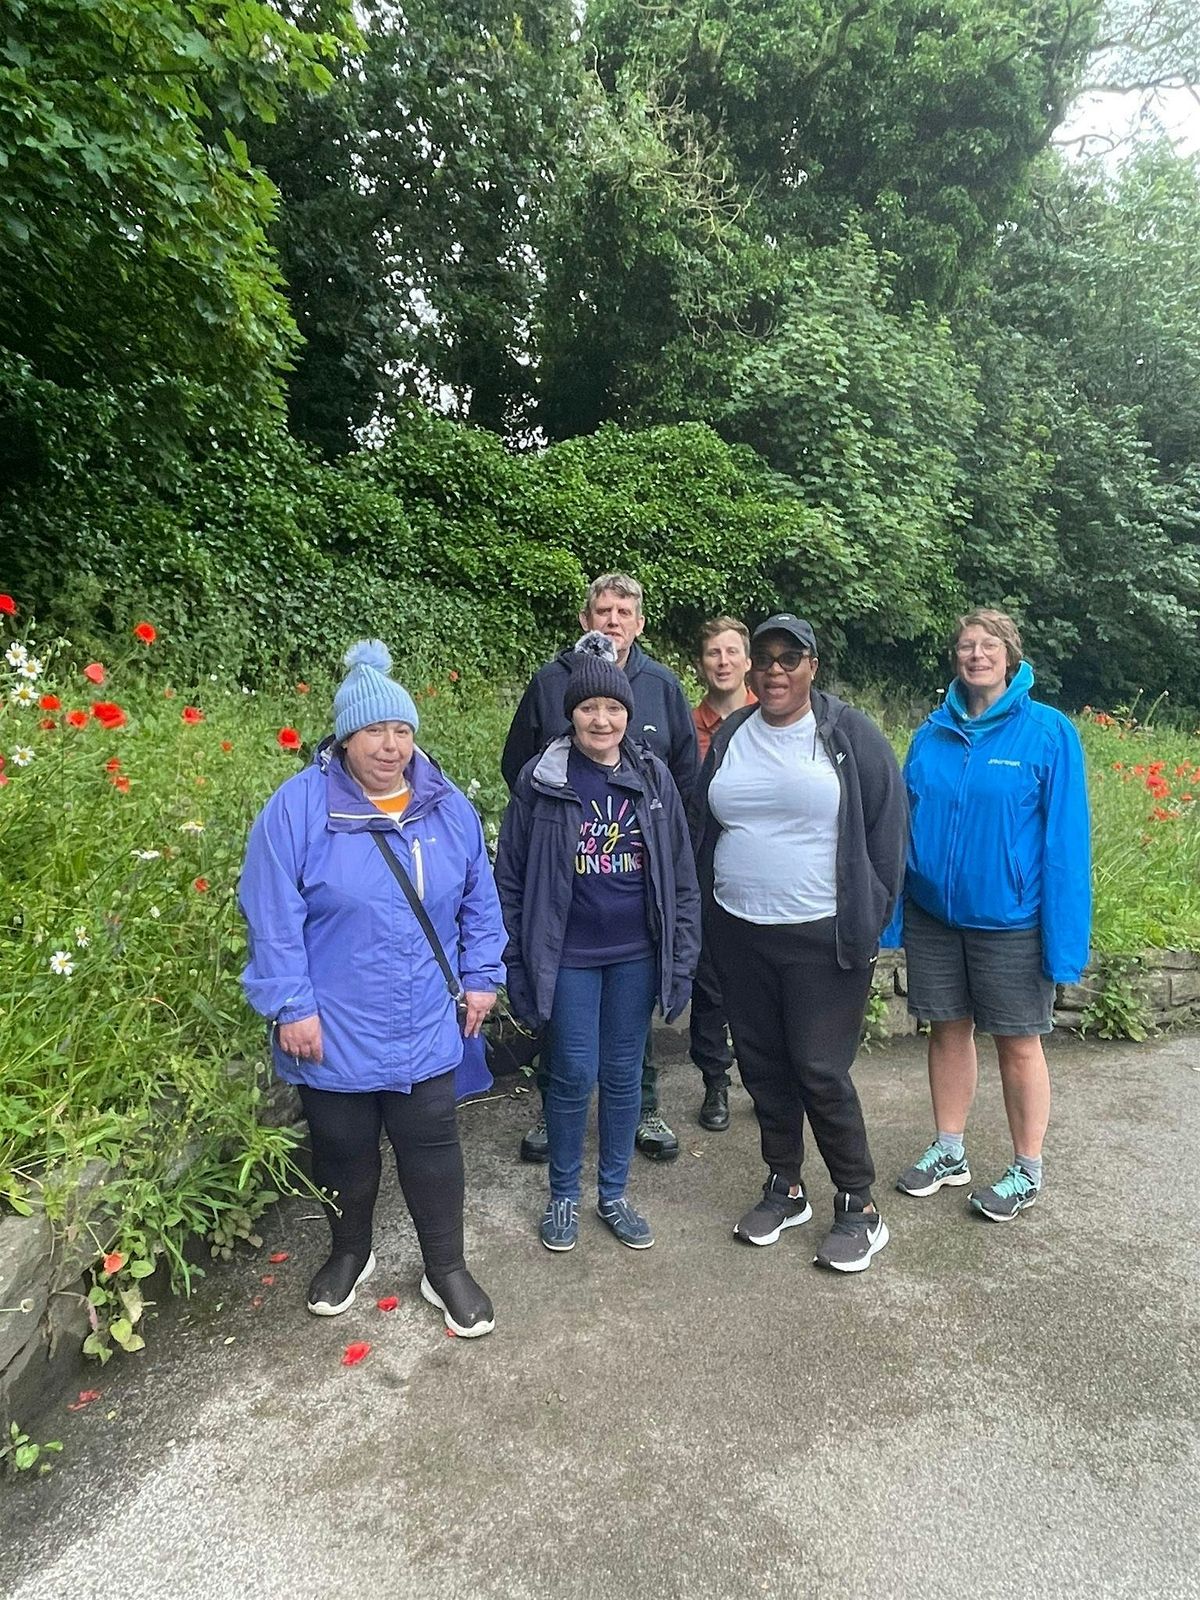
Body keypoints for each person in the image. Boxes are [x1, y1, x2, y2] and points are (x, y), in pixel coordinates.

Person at [239, 641, 506, 1336]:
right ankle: (349, 1253)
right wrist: (290, 1005)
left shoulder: (446, 807)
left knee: (433, 1148)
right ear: (344, 736)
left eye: (402, 730)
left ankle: (445, 1268)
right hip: (330, 1025)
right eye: (374, 731)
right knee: (343, 1151)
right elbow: (271, 912)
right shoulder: (296, 809)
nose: (390, 747)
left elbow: (480, 899)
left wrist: (481, 977)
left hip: (424, 1018)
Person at [690, 614, 906, 1273]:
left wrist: (871, 915)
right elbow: (707, 822)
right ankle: (785, 1186)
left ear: (813, 665)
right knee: (762, 1065)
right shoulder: (732, 734)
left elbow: (887, 828)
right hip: (739, 930)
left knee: (818, 1068)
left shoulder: (848, 733)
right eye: (765, 659)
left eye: (791, 658)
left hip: (823, 935)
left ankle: (859, 1206)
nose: (775, 670)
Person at [495, 634, 701, 1253]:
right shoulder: (542, 779)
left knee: (620, 1076)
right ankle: (563, 1195)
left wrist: (681, 958)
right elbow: (510, 877)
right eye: (589, 709)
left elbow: (681, 875)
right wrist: (517, 963)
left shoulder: (653, 777)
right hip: (568, 956)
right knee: (571, 1072)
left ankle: (613, 1194)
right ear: (573, 713)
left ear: (627, 714)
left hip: (636, 954)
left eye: (613, 709)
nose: (602, 720)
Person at [890, 609, 1091, 1222]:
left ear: (1010, 656)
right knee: (946, 1030)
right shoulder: (930, 733)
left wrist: (1064, 943)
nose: (975, 654)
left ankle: (1027, 1169)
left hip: (1011, 921)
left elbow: (1065, 845)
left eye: (988, 646)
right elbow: (901, 826)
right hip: (935, 917)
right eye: (965, 646)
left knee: (1018, 1044)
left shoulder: (1048, 733)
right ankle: (950, 1151)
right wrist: (894, 914)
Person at [690, 617, 757, 1132]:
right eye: (713, 652)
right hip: (703, 866)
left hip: (762, 870)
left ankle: (765, 1079)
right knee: (709, 982)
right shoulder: (685, 726)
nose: (723, 661)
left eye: (732, 651)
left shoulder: (775, 718)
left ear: (748, 661)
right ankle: (716, 1080)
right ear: (700, 664)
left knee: (762, 983)